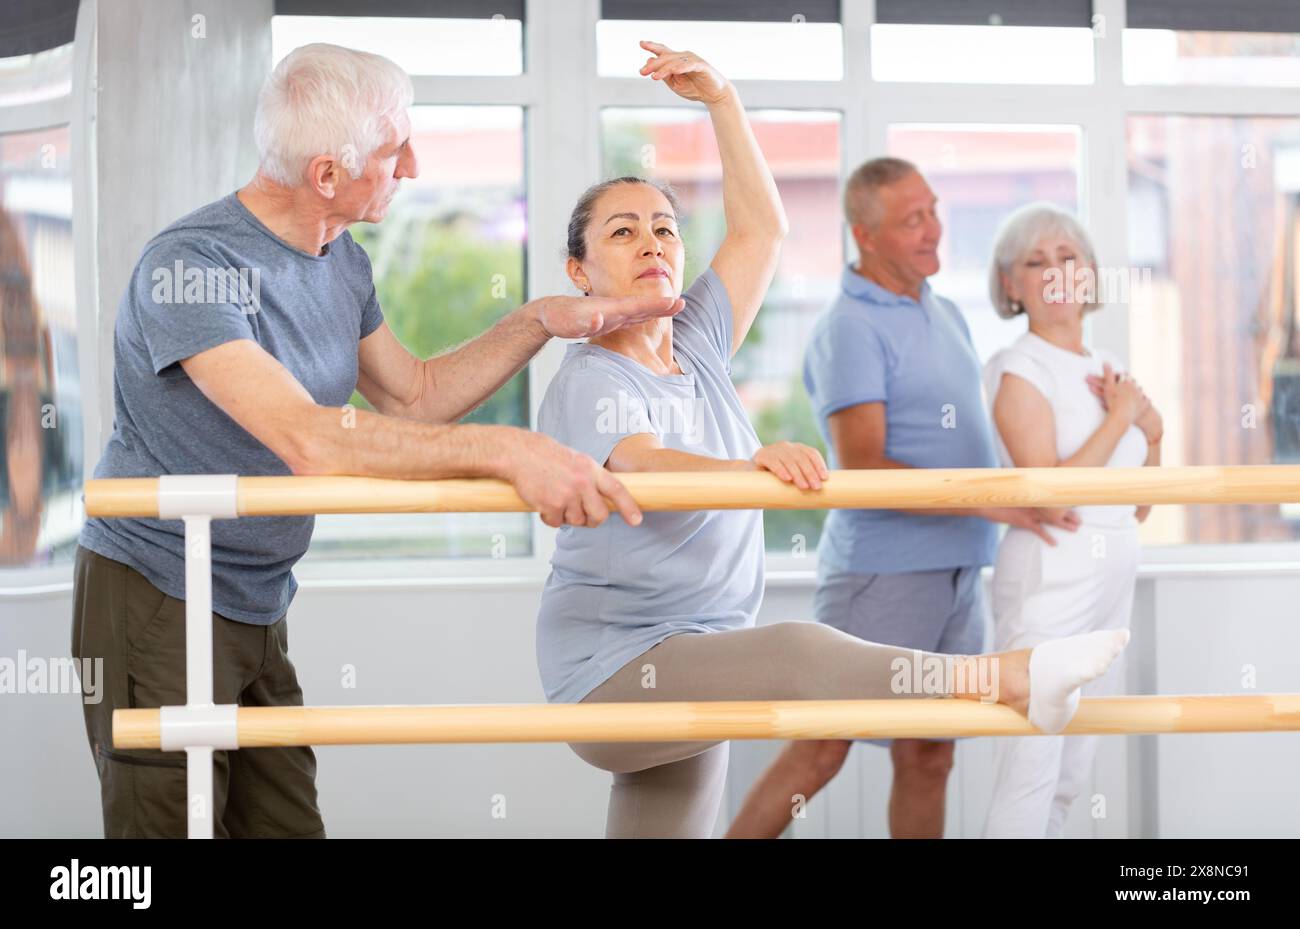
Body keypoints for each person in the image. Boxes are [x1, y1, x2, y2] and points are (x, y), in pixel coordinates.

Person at [71, 43, 682, 838]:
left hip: (258, 598)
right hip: (157, 591)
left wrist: (537, 320)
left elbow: (413, 397)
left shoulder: (339, 260)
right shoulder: (191, 266)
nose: (415, 166)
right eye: (398, 150)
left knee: (287, 825)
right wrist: (506, 450)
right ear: (328, 175)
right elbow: (309, 438)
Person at [536, 45, 1128, 839]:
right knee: (799, 653)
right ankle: (1005, 679)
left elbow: (762, 229)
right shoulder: (591, 377)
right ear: (579, 270)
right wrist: (746, 466)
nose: (651, 241)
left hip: (700, 644)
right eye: (622, 232)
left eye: (666, 227)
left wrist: (721, 101)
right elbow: (640, 462)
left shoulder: (699, 338)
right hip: (617, 667)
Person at [728, 158, 1081, 840]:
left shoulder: (943, 310)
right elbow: (864, 464)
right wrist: (993, 502)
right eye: (911, 219)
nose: (933, 229)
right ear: (865, 234)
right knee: (824, 744)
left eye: (934, 209)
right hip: (883, 573)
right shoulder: (851, 327)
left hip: (955, 569)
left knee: (929, 751)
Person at [980, 203, 1161, 837]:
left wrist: (1153, 431)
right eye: (1036, 261)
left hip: (1113, 571)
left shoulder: (1106, 367)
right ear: (1011, 285)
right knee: (1031, 761)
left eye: (1068, 257)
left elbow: (1136, 503)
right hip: (1050, 574)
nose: (1055, 271)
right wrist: (1121, 418)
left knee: (1071, 770)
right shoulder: (1019, 368)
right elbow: (1054, 494)